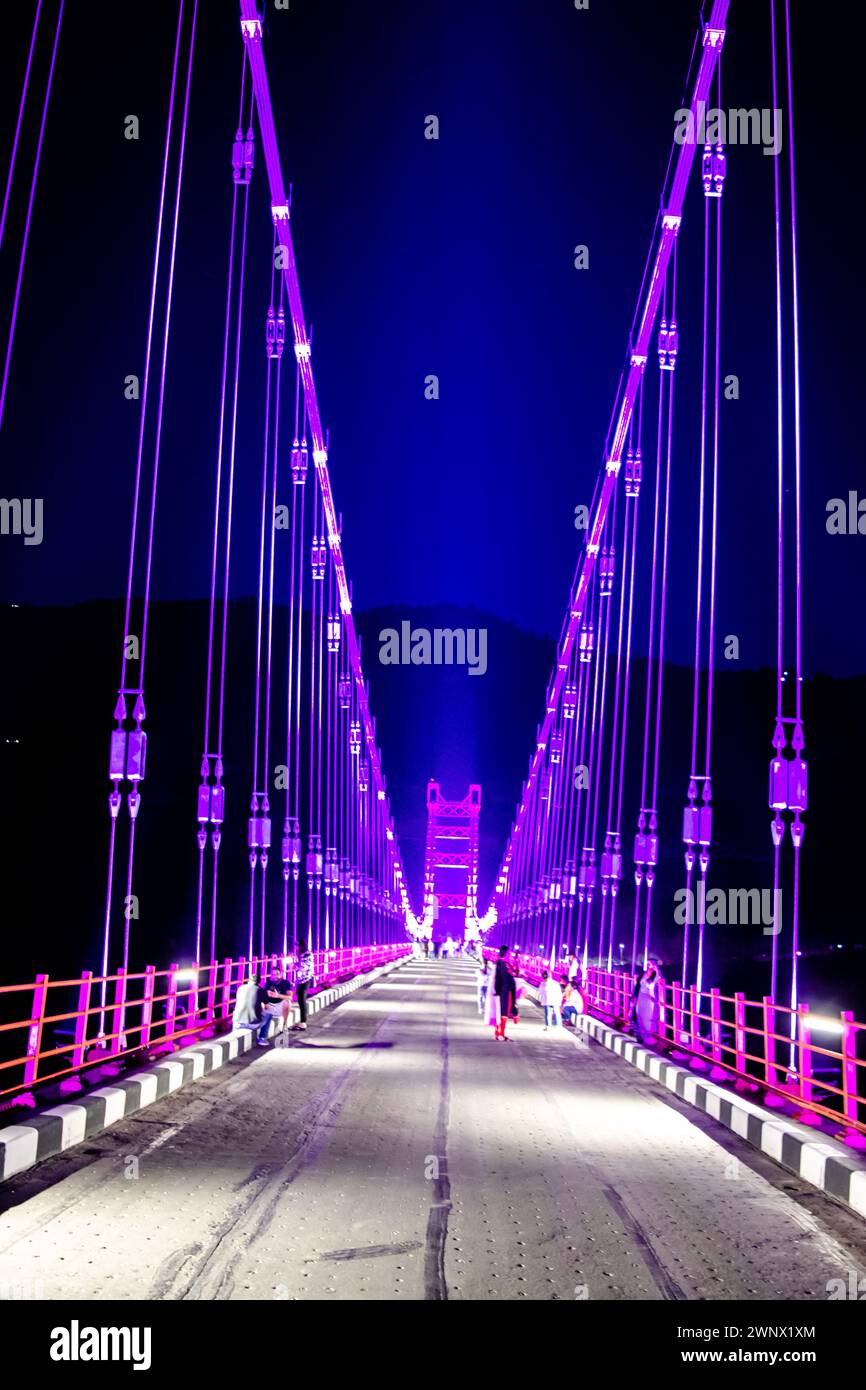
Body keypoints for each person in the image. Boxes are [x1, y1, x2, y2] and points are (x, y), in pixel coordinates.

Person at [232, 973, 272, 1047]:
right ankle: (262, 1038)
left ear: (248, 980)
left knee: (236, 1012)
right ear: (259, 982)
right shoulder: (261, 990)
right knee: (269, 1014)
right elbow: (267, 1007)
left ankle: (234, 1033)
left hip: (238, 1023)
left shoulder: (240, 988)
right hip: (252, 1024)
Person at [492, 946, 518, 1041]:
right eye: (509, 953)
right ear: (506, 953)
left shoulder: (501, 963)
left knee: (501, 1012)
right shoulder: (503, 964)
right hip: (505, 991)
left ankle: (498, 1033)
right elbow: (502, 978)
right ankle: (501, 1034)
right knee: (503, 1013)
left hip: (503, 991)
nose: (510, 955)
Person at [634, 959, 661, 1046]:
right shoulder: (642, 973)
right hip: (641, 997)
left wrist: (656, 968)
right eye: (648, 963)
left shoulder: (655, 975)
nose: (649, 965)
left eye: (651, 964)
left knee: (648, 1017)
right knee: (640, 1016)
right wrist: (634, 996)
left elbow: (659, 978)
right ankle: (641, 1036)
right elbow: (637, 985)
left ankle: (648, 1036)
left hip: (649, 998)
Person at [292, 940, 315, 1031]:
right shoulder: (304, 954)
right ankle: (302, 1022)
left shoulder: (306, 954)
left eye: (296, 946)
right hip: (302, 980)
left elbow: (303, 967)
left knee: (302, 1001)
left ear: (301, 946)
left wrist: (295, 965)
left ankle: (303, 1023)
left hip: (305, 980)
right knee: (301, 1000)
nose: (295, 948)